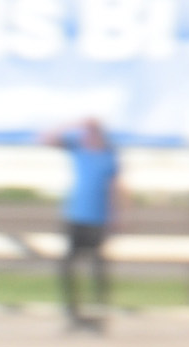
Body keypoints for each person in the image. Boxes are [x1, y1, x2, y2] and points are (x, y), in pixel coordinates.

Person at [45, 116, 121, 333]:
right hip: (76, 217)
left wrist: (116, 216)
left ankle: (99, 315)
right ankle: (73, 315)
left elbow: (115, 187)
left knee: (97, 269)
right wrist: (72, 124)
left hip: (98, 219)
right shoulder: (78, 149)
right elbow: (46, 138)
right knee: (68, 267)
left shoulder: (108, 155)